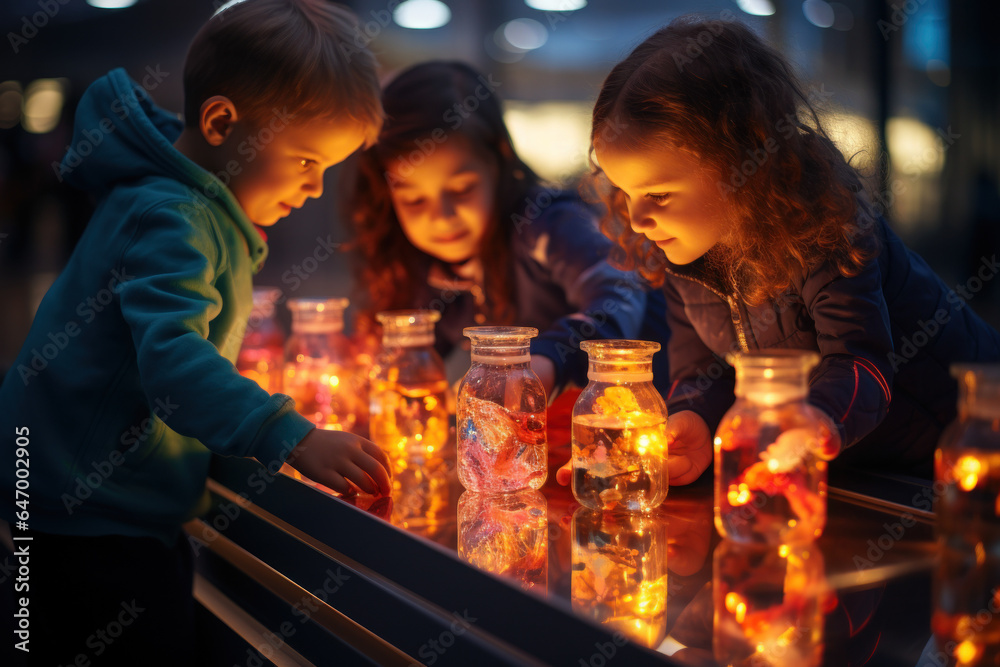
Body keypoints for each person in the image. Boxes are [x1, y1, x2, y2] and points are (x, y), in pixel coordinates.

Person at [0, 1, 391, 663]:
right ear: (220, 122)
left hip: (98, 502)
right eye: (305, 160)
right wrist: (286, 434)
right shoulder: (171, 216)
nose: (315, 188)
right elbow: (174, 361)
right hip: (89, 514)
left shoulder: (192, 209)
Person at [576, 16, 1000, 485]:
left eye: (658, 194)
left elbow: (861, 363)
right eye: (626, 193)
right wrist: (693, 417)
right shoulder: (681, 252)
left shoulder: (826, 230)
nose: (637, 220)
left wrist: (815, 418)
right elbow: (704, 370)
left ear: (740, 164)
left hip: (967, 447)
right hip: (859, 473)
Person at [346, 61, 671, 400]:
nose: (441, 217)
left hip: (655, 418)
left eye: (461, 190)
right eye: (413, 200)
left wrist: (547, 363)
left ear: (498, 165)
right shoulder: (432, 272)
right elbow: (407, 364)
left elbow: (619, 293)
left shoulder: (550, 226)